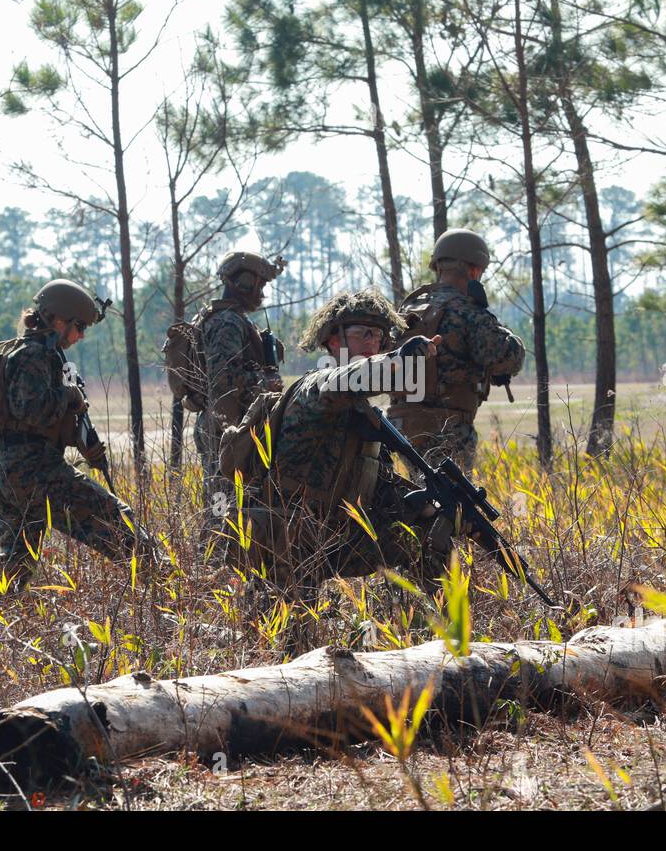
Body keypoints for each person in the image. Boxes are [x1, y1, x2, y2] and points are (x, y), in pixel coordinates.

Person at [222, 288, 454, 653]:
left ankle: (422, 643)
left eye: (378, 336)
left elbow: (376, 483)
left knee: (425, 533)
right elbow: (351, 378)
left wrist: (429, 508)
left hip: (335, 534)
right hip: (288, 540)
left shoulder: (360, 413)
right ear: (333, 338)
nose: (372, 343)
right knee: (288, 647)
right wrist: (399, 359)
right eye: (363, 333)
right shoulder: (318, 386)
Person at [0, 280, 158, 591]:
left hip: (7, 467)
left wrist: (84, 439)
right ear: (57, 320)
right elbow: (30, 410)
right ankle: (165, 589)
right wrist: (68, 397)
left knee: (17, 558)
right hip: (34, 468)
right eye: (78, 326)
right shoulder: (34, 355)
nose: (81, 335)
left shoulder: (38, 353)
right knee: (118, 523)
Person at [388, 228, 525, 470]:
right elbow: (506, 357)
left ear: (438, 266)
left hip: (400, 426)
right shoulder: (467, 311)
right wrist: (504, 331)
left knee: (420, 499)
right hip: (446, 428)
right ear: (473, 269)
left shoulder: (411, 308)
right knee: (453, 502)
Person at [193, 251, 284, 535]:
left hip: (232, 423)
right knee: (222, 498)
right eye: (260, 284)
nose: (262, 292)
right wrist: (265, 382)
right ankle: (216, 550)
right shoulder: (227, 322)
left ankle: (227, 550)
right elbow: (223, 377)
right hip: (225, 424)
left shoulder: (228, 318)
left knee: (236, 496)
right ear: (246, 282)